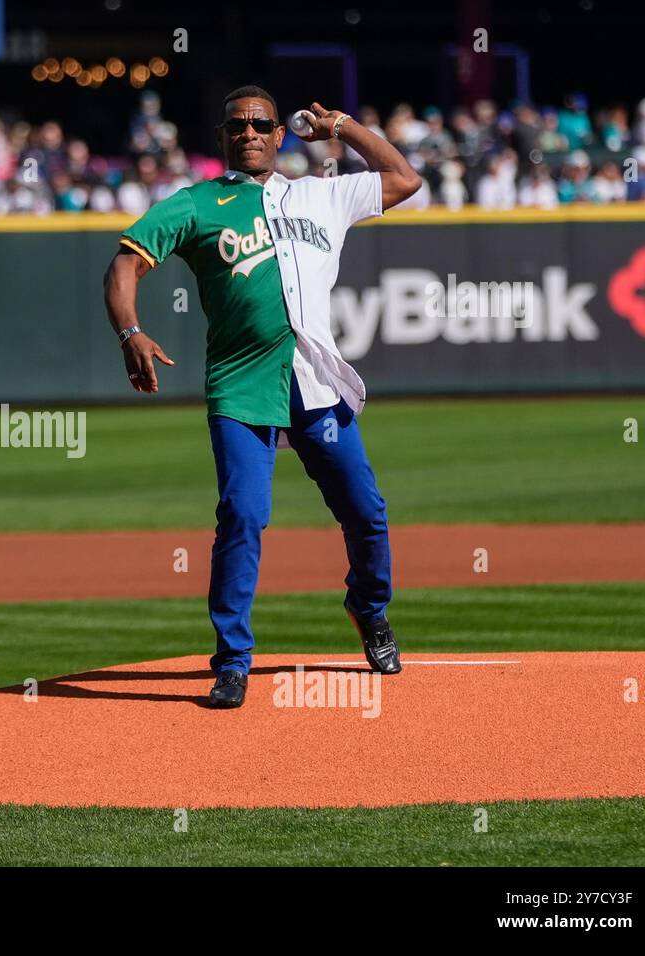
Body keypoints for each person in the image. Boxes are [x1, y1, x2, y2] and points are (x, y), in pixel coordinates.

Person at [103, 85, 420, 709]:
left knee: (366, 512)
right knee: (243, 516)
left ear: (280, 134)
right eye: (236, 125)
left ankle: (369, 608)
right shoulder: (197, 203)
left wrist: (341, 127)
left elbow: (403, 177)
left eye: (261, 123)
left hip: (316, 382)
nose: (248, 132)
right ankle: (233, 661)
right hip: (242, 385)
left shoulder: (319, 195)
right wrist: (131, 332)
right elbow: (122, 266)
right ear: (223, 138)